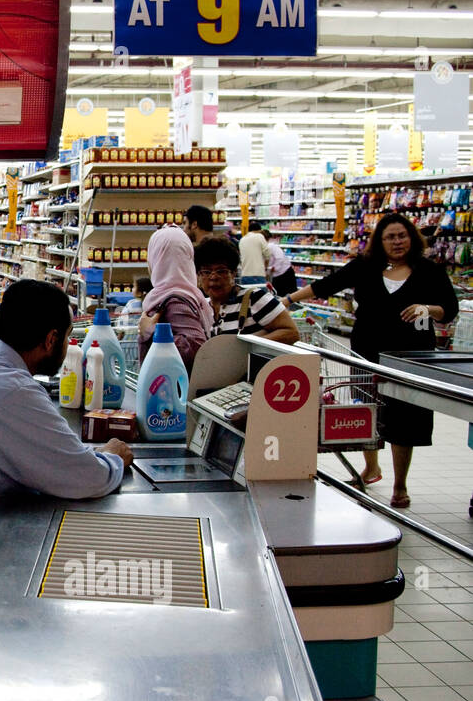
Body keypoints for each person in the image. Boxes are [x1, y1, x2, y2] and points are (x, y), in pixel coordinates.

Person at [284, 213, 458, 509]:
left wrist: (427, 309)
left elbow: (449, 308)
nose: (397, 242)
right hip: (367, 351)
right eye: (390, 237)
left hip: (409, 355)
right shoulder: (366, 267)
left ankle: (400, 484)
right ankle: (371, 468)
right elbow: (328, 284)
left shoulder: (429, 270)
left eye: (402, 235)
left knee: (405, 418)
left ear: (412, 238)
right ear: (380, 241)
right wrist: (288, 300)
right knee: (369, 409)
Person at [0, 279, 132, 497]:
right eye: (67, 336)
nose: (67, 344)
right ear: (50, 340)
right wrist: (113, 456)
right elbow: (89, 478)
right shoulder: (10, 390)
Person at [195, 238, 298, 344]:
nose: (213, 277)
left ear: (234, 273)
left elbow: (291, 333)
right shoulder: (201, 308)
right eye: (206, 272)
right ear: (198, 275)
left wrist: (246, 347)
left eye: (221, 271)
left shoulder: (254, 299)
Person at [138, 225, 212, 371]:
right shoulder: (186, 293)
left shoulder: (175, 299)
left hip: (173, 387)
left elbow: (195, 346)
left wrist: (151, 332)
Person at [263, 229, 297, 296]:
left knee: (291, 296)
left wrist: (274, 268)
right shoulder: (263, 248)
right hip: (276, 276)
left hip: (285, 273)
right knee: (278, 296)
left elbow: (280, 257)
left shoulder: (271, 246)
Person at [237, 222, 270, 286]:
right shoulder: (259, 236)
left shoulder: (242, 240)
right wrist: (266, 267)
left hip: (244, 276)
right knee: (261, 295)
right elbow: (267, 254)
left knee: (247, 295)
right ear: (260, 231)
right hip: (257, 275)